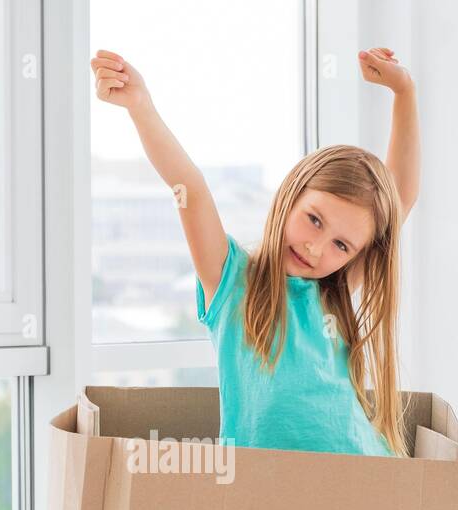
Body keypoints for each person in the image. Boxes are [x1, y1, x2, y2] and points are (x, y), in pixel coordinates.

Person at [90, 46, 420, 457]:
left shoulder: (332, 294)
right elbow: (188, 186)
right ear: (291, 195)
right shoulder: (230, 283)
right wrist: (140, 106)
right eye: (314, 219)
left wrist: (404, 91)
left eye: (341, 244)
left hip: (367, 484)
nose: (316, 248)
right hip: (262, 498)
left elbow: (400, 197)